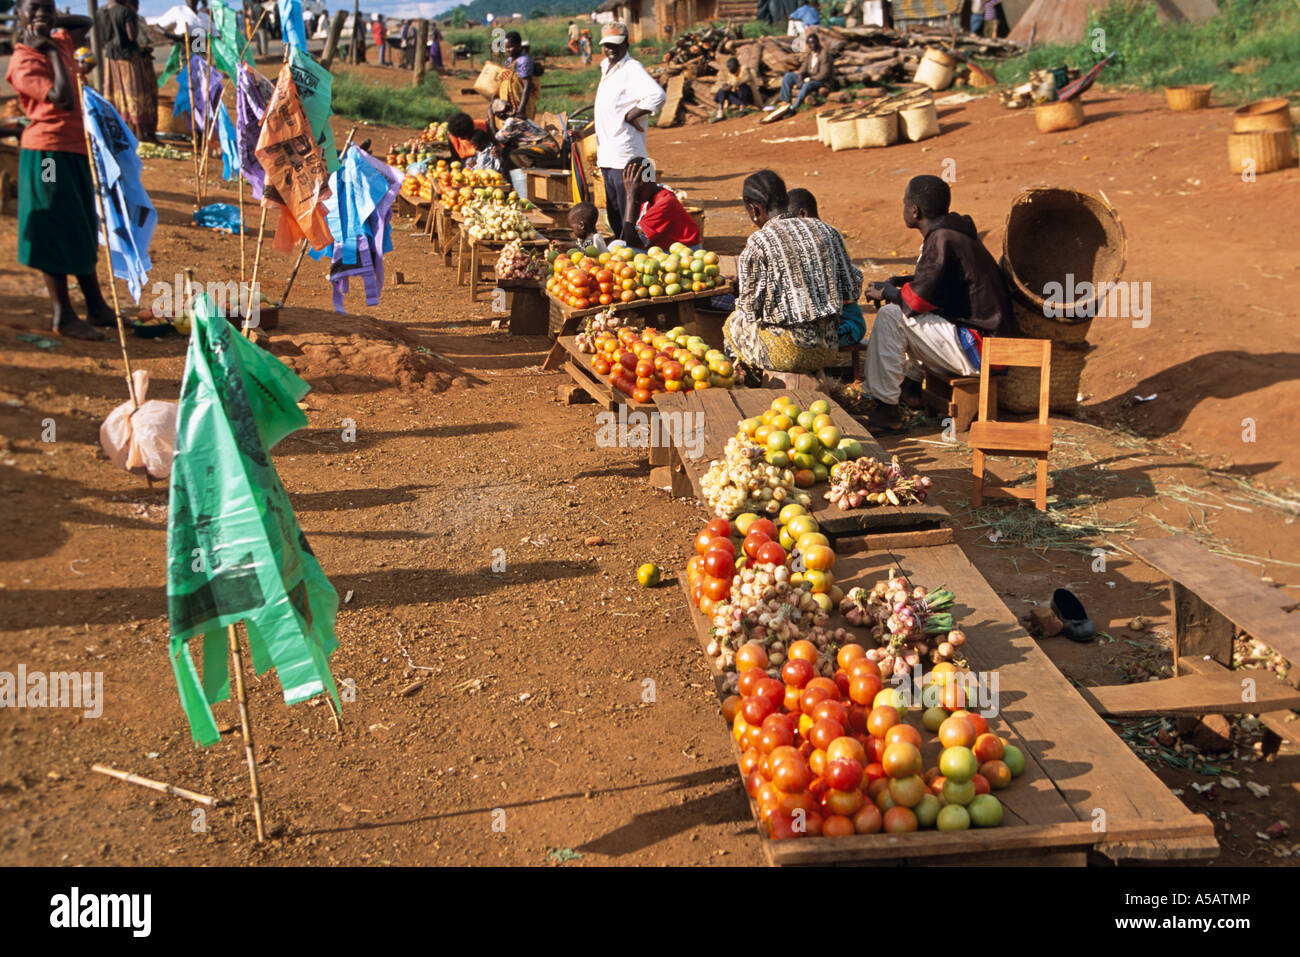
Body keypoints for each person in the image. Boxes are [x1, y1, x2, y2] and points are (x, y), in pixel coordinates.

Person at [7, 0, 118, 341]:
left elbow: (85, 20)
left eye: (48, 7)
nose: (42, 13)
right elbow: (64, 98)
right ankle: (63, 314)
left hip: (71, 151)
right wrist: (48, 47)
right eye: (33, 8)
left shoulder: (61, 39)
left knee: (82, 222)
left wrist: (47, 21)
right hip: (48, 158)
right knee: (54, 221)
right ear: (19, 15)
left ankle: (95, 305)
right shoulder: (25, 59)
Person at [862, 174, 1010, 431]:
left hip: (982, 349)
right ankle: (910, 389)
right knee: (907, 315)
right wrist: (901, 282)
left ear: (915, 210)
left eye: (904, 203)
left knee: (891, 317)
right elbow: (939, 287)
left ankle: (887, 411)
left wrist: (888, 292)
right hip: (985, 341)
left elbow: (916, 301)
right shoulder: (952, 233)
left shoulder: (941, 240)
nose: (903, 208)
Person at [723, 170, 862, 377]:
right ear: (785, 199)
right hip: (828, 346)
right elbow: (853, 289)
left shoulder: (757, 243)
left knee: (732, 324)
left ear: (754, 209)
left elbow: (750, 311)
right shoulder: (827, 230)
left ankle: (749, 382)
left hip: (786, 352)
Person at [593, 21, 665, 235]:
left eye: (615, 44)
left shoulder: (632, 68)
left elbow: (657, 96)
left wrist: (631, 115)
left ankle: (630, 248)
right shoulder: (606, 66)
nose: (610, 49)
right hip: (606, 152)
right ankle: (620, 245)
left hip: (625, 153)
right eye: (606, 45)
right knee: (614, 209)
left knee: (628, 209)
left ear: (626, 43)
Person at [788, 188, 865, 348]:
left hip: (847, 325)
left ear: (803, 214)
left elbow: (852, 284)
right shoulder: (829, 235)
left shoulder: (827, 237)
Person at [618, 156, 700, 251]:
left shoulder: (664, 203)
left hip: (685, 252)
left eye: (634, 190)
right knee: (617, 244)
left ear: (647, 182)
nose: (633, 195)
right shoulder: (649, 198)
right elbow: (636, 233)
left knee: (629, 250)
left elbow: (633, 241)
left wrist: (630, 198)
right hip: (663, 247)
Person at [776, 31, 832, 114]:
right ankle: (785, 101)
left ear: (817, 42)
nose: (812, 45)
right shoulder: (810, 53)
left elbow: (824, 74)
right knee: (788, 76)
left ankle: (794, 107)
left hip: (821, 81)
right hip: (810, 78)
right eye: (810, 43)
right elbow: (803, 68)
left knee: (806, 85)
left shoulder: (824, 54)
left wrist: (810, 79)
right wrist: (800, 77)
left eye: (814, 43)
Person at [128, 0, 158, 142]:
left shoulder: (140, 20)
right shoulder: (125, 19)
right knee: (136, 97)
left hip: (146, 61)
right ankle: (137, 134)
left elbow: (149, 41)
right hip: (133, 63)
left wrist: (147, 48)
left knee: (151, 96)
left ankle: (151, 132)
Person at [501, 31, 539, 119]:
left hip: (520, 105)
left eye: (510, 47)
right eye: (506, 47)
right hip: (510, 103)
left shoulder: (524, 61)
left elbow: (527, 86)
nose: (507, 50)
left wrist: (521, 110)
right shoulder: (509, 60)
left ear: (519, 46)